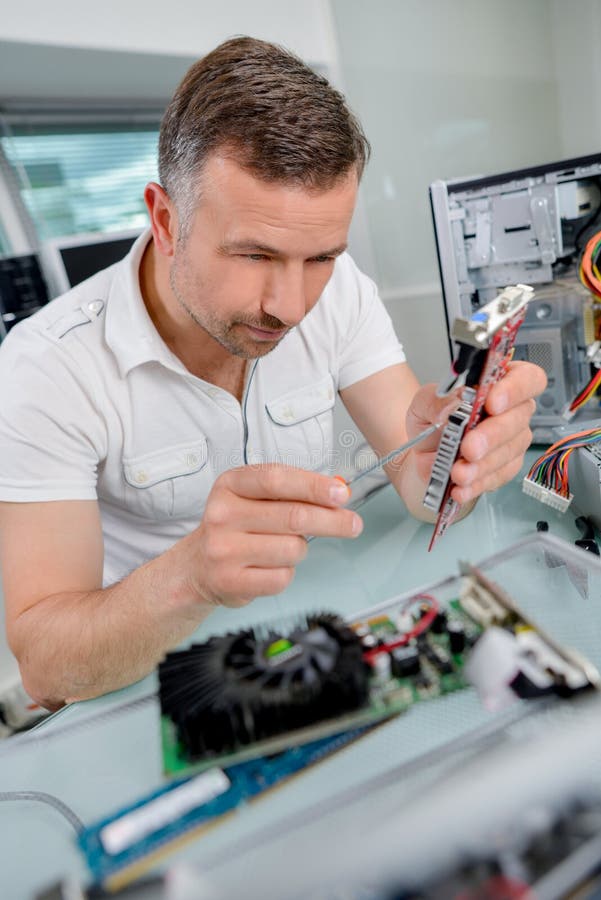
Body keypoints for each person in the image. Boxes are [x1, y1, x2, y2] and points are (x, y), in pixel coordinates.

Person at [0, 37, 545, 710]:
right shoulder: (44, 369)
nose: (289, 307)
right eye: (254, 254)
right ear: (166, 220)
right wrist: (194, 576)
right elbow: (47, 668)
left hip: (312, 638)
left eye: (319, 257)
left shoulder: (339, 289)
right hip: (144, 681)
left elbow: (417, 486)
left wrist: (457, 464)